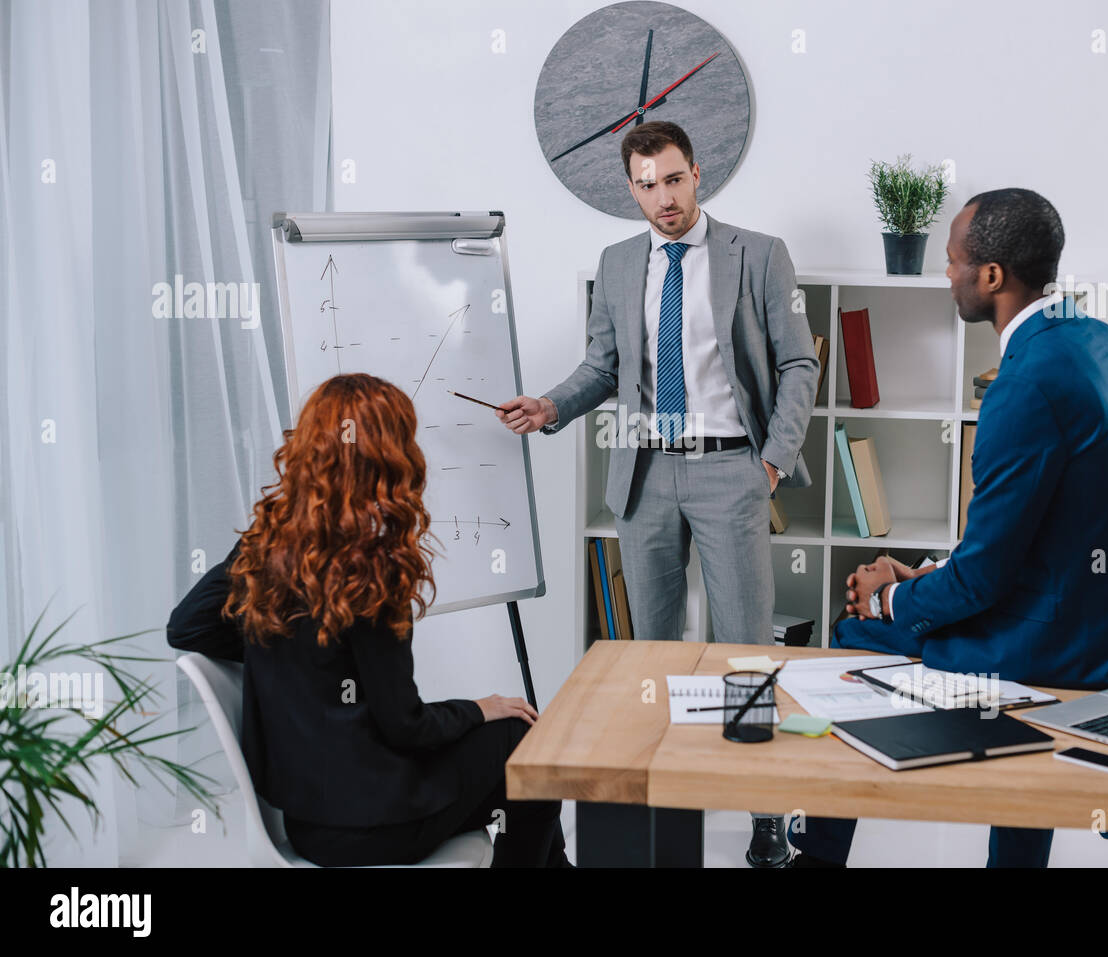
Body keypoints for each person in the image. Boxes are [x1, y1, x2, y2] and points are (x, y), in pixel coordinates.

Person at [790, 188, 1108, 868]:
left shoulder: (1021, 384)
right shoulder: (1104, 344)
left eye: (952, 263)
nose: (947, 276)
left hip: (1067, 646)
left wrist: (888, 597)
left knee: (853, 629)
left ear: (992, 276)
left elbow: (984, 578)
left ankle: (818, 857)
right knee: (913, 595)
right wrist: (919, 575)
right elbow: (1037, 534)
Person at [496, 121, 819, 867]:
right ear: (632, 188)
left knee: (745, 649)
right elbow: (602, 369)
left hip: (729, 470)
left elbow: (798, 362)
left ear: (697, 175)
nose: (662, 197)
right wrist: (549, 406)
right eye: (646, 184)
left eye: (673, 179)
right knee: (651, 652)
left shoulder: (758, 255)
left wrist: (769, 462)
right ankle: (662, 794)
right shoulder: (616, 264)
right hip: (643, 473)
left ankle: (767, 814)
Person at [166, 372, 569, 867]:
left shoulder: (266, 543)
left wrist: (292, 659)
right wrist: (479, 707)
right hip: (375, 829)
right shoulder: (370, 570)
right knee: (527, 745)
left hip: (307, 823)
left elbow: (185, 627)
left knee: (520, 771)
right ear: (390, 456)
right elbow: (405, 726)